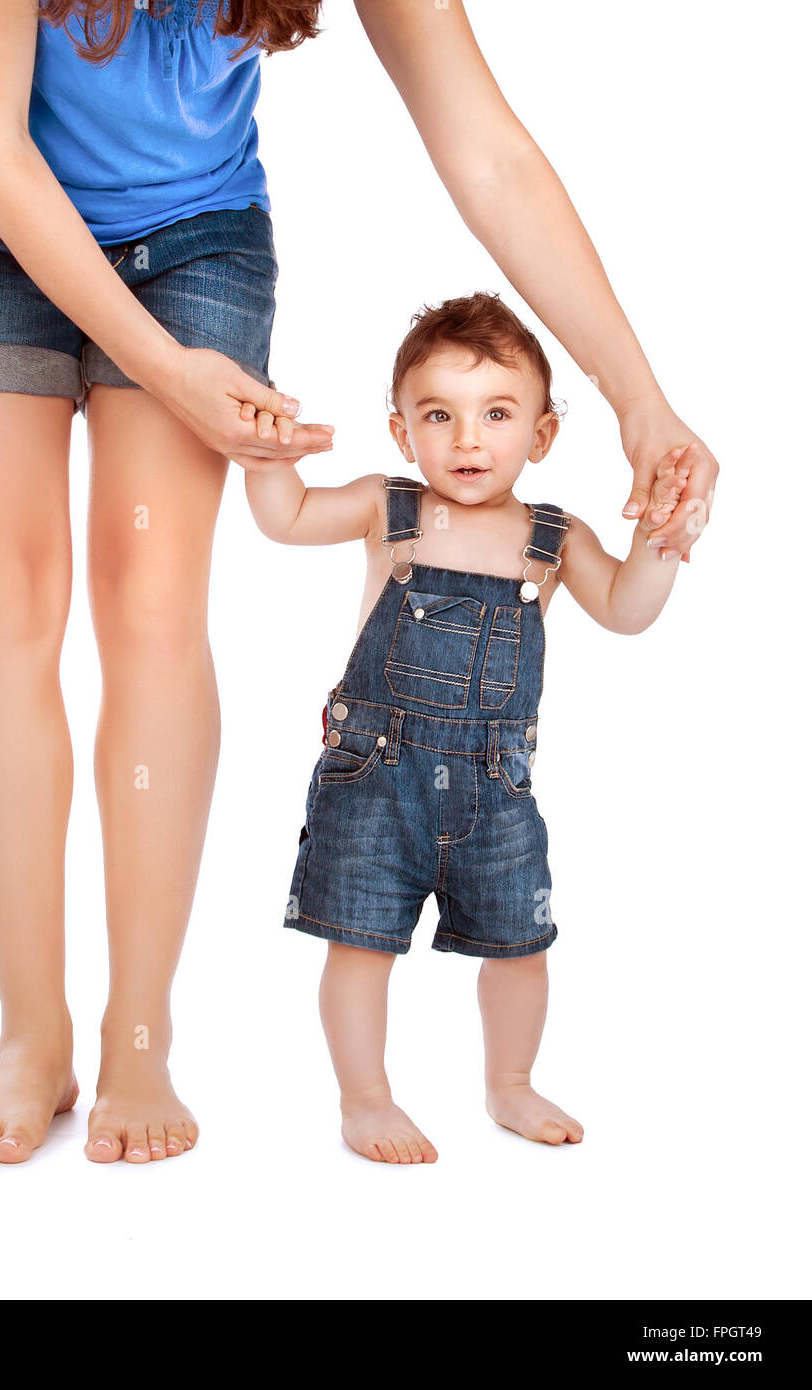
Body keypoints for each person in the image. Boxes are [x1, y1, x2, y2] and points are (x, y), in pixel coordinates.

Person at [0, 0, 716, 1165]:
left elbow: (488, 149)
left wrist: (639, 396)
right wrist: (167, 372)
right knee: (7, 609)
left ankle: (139, 1037)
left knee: (151, 603)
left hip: (195, 234)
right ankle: (31, 1037)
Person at [245, 293, 691, 1163]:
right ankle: (365, 1099)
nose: (467, 440)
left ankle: (509, 1084)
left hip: (495, 791)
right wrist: (266, 455)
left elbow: (628, 612)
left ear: (542, 434)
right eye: (438, 416)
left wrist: (661, 544)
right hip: (375, 779)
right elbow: (285, 517)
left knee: (521, 948)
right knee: (359, 943)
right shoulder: (387, 507)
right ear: (401, 431)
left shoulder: (553, 540)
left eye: (496, 414)